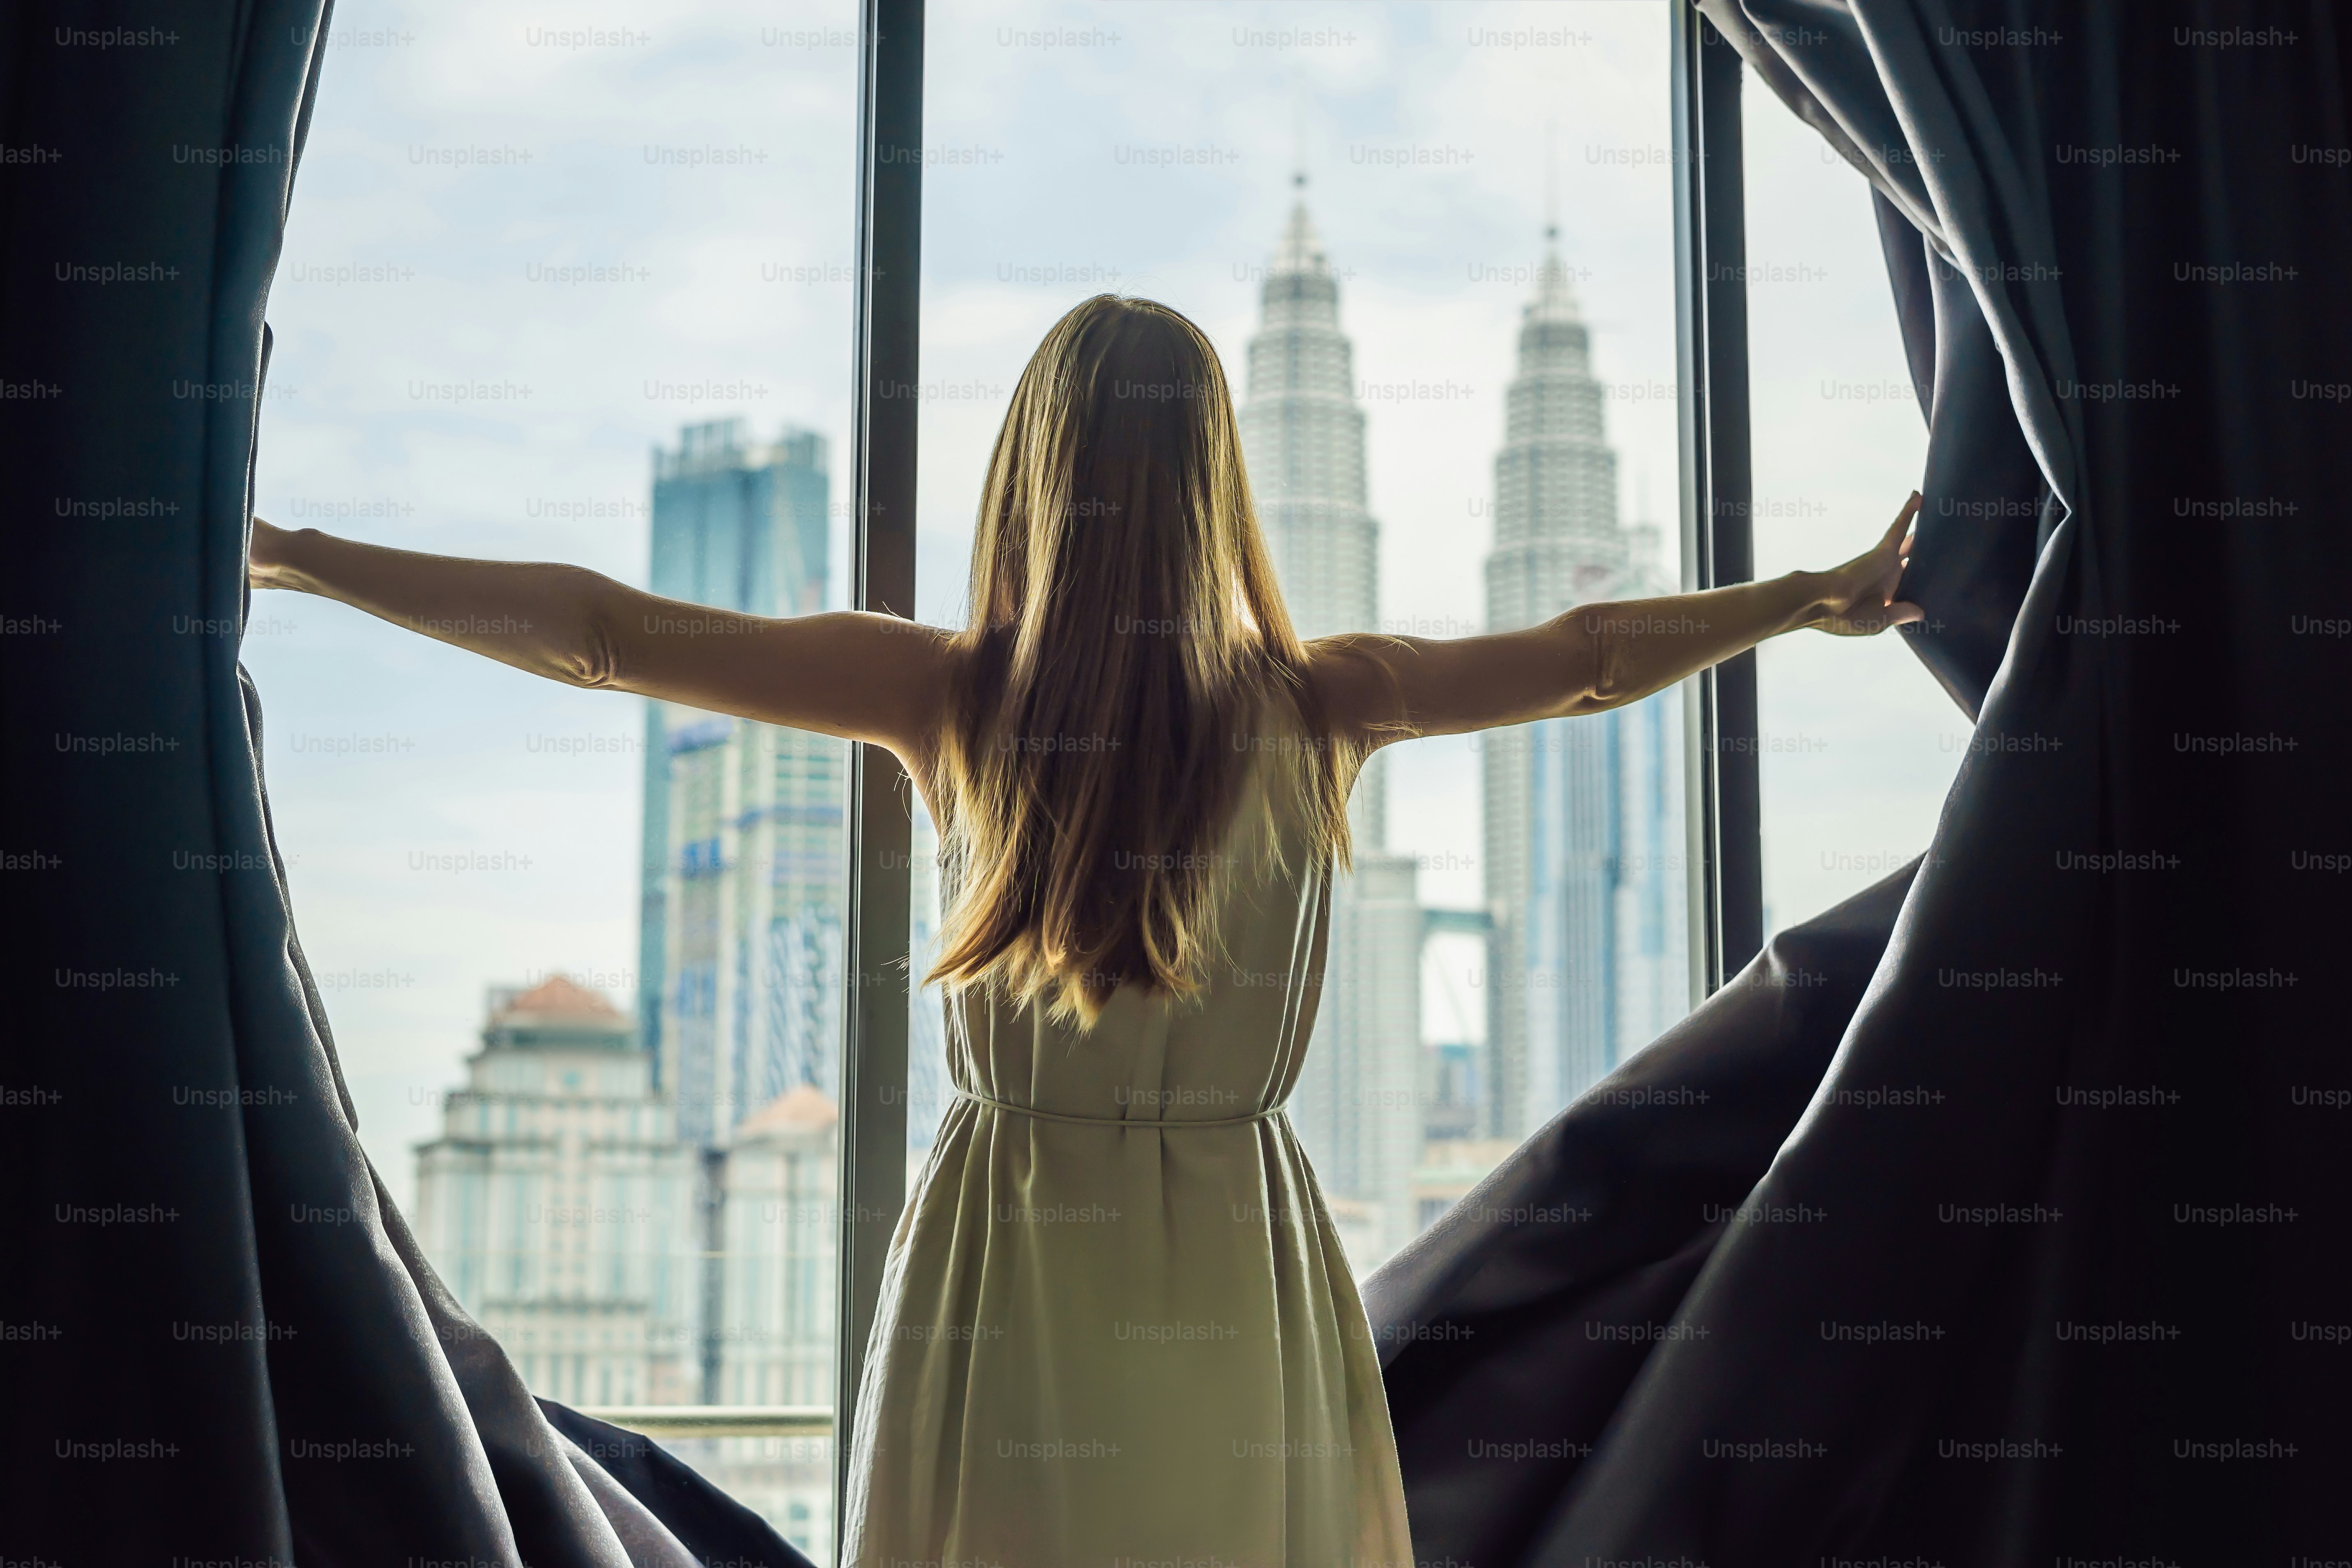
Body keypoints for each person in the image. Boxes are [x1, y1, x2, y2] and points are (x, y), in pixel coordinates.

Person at [248, 293, 1920, 1565]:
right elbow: (1590, 650)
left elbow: (602, 633)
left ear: (1030, 479)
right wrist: (1804, 597)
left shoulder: (944, 694)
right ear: (1214, 484)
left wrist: (296, 555)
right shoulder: (1323, 700)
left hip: (1012, 1245)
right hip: (1230, 1249)